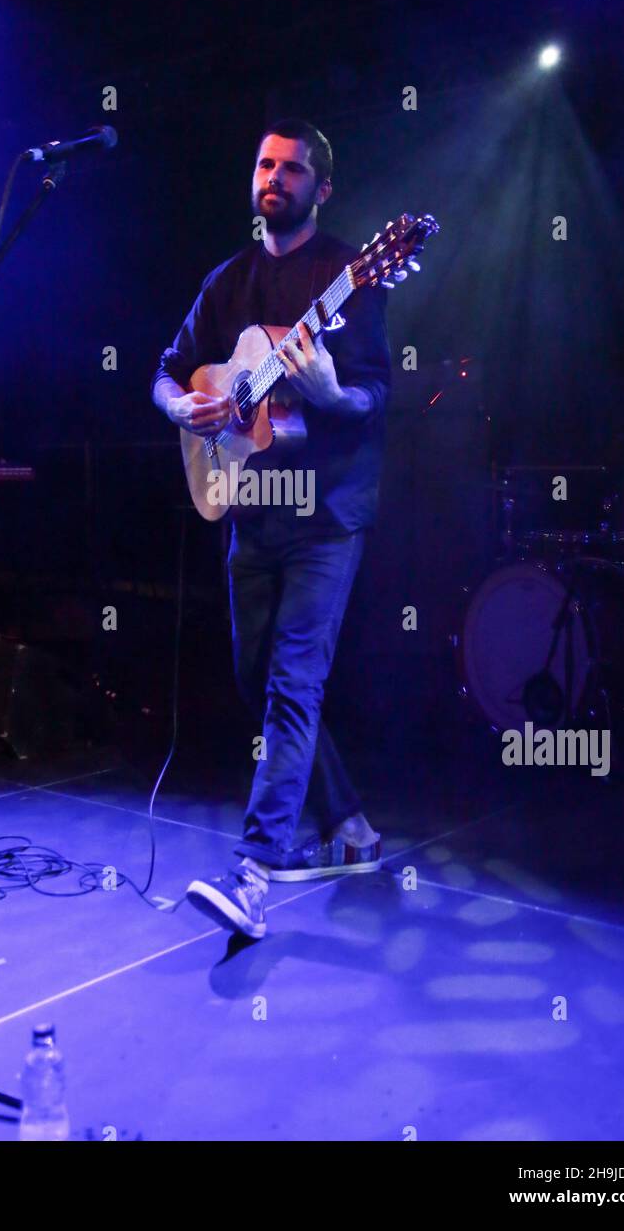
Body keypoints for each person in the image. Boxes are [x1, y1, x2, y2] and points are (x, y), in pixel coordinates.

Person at [152, 118, 390, 938]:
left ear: (320, 189)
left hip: (326, 517)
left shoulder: (355, 275)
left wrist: (324, 392)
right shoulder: (226, 283)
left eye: (293, 169)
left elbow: (373, 397)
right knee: (259, 681)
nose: (274, 177)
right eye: (265, 163)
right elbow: (164, 371)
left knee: (293, 684)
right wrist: (186, 404)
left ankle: (254, 873)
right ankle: (350, 825)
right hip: (250, 509)